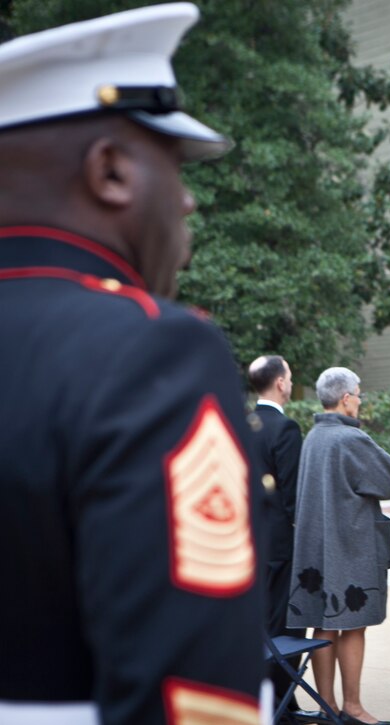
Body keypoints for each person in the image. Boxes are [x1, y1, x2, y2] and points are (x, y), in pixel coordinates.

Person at [0, 5, 265, 722]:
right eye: (173, 166)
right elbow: (195, 695)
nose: (186, 201)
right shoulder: (149, 349)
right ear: (111, 170)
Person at [288, 367, 390, 725]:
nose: (361, 400)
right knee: (353, 624)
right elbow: (388, 481)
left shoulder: (314, 436)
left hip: (317, 545)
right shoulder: (350, 440)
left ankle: (328, 707)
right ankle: (352, 707)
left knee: (324, 623)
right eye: (359, 393)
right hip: (350, 543)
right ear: (346, 398)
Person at [247, 355, 304, 708]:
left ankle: (266, 697)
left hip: (246, 539)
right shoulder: (285, 428)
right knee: (285, 628)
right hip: (280, 544)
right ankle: (280, 701)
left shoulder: (241, 422)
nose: (291, 383)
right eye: (290, 377)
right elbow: (293, 493)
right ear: (280, 383)